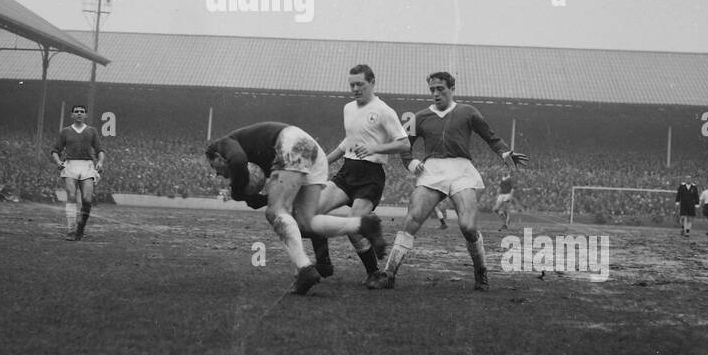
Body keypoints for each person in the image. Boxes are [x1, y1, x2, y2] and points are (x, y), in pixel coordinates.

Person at [367, 72, 528, 291]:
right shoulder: (419, 117)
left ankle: (481, 273)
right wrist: (411, 163)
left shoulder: (468, 112)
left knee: (468, 227)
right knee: (412, 219)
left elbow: (490, 136)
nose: (435, 93)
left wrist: (504, 152)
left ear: (452, 88)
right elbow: (404, 144)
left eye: (440, 88)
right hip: (432, 170)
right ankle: (389, 273)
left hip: (461, 170)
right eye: (432, 89)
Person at [206, 121, 386, 296]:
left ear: (218, 156)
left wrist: (239, 193)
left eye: (215, 167)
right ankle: (362, 225)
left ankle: (305, 269)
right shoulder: (258, 156)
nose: (218, 174)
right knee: (304, 222)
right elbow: (272, 192)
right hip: (312, 151)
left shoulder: (223, 144)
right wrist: (255, 199)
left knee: (274, 212)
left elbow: (237, 161)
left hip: (290, 144)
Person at [313, 65, 410, 279]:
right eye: (352, 85)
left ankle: (374, 273)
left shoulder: (384, 111)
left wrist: (375, 148)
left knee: (353, 226)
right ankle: (323, 264)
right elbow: (348, 141)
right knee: (312, 211)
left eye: (360, 84)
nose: (355, 88)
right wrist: (323, 162)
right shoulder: (348, 108)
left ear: (372, 83)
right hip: (347, 171)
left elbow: (404, 145)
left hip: (370, 176)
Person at [52, 104, 105, 240]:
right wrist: (58, 161)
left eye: (82, 112)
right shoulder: (65, 131)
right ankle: (70, 230)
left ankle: (81, 227)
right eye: (76, 112)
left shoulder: (91, 131)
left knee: (87, 199)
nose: (79, 113)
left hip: (87, 165)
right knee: (71, 195)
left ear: (85, 115)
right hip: (70, 164)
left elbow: (100, 150)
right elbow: (55, 150)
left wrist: (100, 162)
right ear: (72, 115)